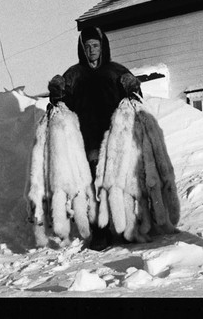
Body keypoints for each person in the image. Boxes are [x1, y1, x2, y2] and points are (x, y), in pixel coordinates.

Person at [48, 25, 143, 250]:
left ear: (103, 47)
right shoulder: (74, 75)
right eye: (88, 46)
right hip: (87, 140)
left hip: (114, 139)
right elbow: (60, 105)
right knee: (94, 188)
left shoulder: (116, 71)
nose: (92, 50)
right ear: (82, 49)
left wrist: (133, 86)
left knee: (119, 183)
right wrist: (56, 90)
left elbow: (136, 100)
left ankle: (127, 229)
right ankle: (101, 233)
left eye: (95, 46)